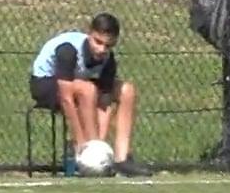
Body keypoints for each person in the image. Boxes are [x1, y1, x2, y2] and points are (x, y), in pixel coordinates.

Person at [28, 12, 146, 175]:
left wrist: (100, 146)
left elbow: (104, 103)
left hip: (79, 82)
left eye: (108, 46)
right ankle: (82, 150)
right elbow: (66, 98)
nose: (101, 49)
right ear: (89, 34)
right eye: (97, 42)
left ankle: (121, 159)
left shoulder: (107, 59)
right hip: (45, 82)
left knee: (126, 90)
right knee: (88, 90)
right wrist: (82, 143)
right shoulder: (68, 50)